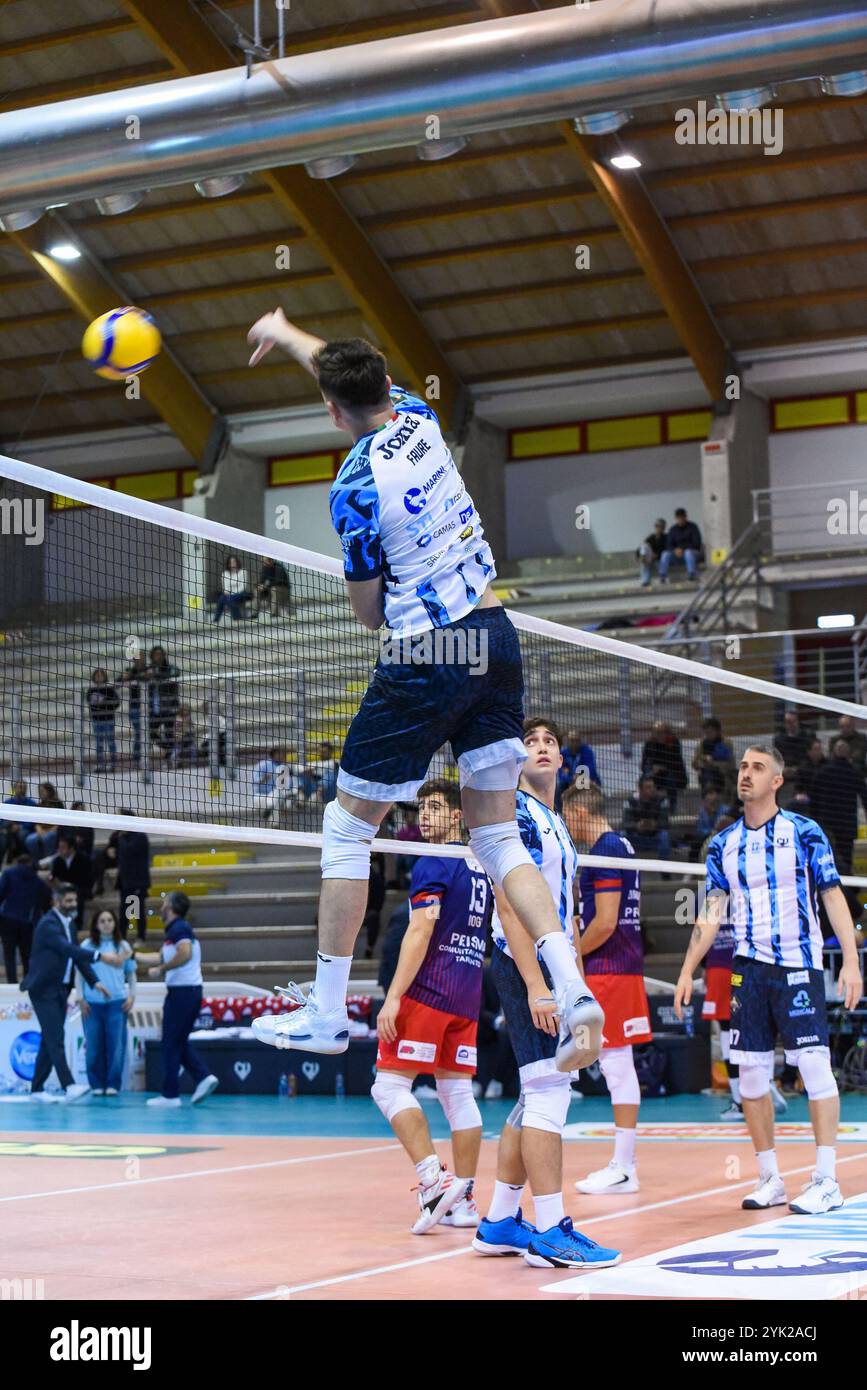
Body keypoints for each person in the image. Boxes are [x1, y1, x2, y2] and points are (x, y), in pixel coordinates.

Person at [245, 316, 601, 1071]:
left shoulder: (351, 486)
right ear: (381, 383)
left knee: (346, 832)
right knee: (498, 833)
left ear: (332, 412)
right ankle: (572, 989)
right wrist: (287, 332)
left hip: (427, 651)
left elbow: (368, 610)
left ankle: (325, 1012)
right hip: (494, 636)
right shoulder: (417, 415)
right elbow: (348, 372)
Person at [675, 745, 863, 1214]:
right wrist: (686, 968)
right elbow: (712, 911)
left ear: (776, 780)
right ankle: (770, 1178)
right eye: (742, 766)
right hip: (748, 971)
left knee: (815, 1067)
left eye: (757, 767)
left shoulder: (805, 831)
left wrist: (853, 961)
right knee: (752, 1080)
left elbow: (833, 895)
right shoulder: (723, 844)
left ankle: (826, 1180)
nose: (746, 774)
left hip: (798, 964)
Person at [473, 718, 620, 1269]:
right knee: (549, 1095)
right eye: (529, 742)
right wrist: (537, 985)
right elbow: (510, 904)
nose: (539, 748)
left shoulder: (554, 821)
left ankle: (501, 1220)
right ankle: (552, 1230)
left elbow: (568, 910)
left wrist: (573, 981)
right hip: (523, 966)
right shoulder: (514, 814)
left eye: (549, 742)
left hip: (558, 974)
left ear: (563, 760)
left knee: (533, 1096)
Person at [373, 779, 488, 1233]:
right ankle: (464, 1201)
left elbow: (420, 931)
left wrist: (394, 996)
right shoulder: (481, 863)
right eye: (421, 807)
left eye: (436, 807)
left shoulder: (435, 860)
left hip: (430, 992)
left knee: (387, 1087)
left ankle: (432, 1179)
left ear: (458, 816)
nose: (424, 815)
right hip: (468, 993)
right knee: (457, 1094)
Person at [564, 781, 651, 1194]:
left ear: (579, 813)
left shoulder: (605, 849)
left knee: (614, 1065)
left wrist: (571, 958)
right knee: (607, 1062)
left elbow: (605, 922)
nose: (566, 824)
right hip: (617, 967)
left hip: (609, 968)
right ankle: (624, 1164)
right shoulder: (621, 845)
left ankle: (623, 1167)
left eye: (566, 816)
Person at [23, 882, 113, 1103]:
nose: (73, 904)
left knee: (49, 1038)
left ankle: (37, 1089)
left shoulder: (69, 925)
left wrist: (95, 981)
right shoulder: (48, 924)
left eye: (75, 900)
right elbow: (67, 949)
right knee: (55, 1037)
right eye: (69, 901)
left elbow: (75, 958)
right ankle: (69, 1085)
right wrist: (99, 956)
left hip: (61, 989)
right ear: (57, 901)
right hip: (43, 989)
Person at [135, 891, 219, 1108]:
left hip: (183, 992)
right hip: (185, 992)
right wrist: (133, 956)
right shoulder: (175, 931)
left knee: (171, 1042)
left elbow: (185, 953)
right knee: (177, 1041)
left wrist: (161, 970)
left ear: (170, 907)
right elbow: (163, 956)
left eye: (164, 904)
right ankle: (202, 1076)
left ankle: (170, 1094)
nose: (161, 907)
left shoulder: (179, 928)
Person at [77, 908, 136, 1096]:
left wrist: (132, 995)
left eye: (110, 920)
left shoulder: (123, 946)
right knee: (93, 1047)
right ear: (95, 924)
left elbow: (131, 973)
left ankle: (112, 1084)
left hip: (117, 1003)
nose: (106, 924)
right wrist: (80, 997)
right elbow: (79, 972)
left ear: (115, 923)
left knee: (116, 1046)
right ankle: (96, 1084)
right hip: (92, 1004)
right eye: (102, 921)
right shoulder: (87, 945)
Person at [811, 737, 867, 877]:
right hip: (847, 826)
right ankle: (848, 890)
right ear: (848, 753)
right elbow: (865, 797)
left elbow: (814, 801)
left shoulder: (821, 773)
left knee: (827, 860)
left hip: (826, 826)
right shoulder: (854, 773)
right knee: (846, 860)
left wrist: (815, 821)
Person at [0, 853, 50, 984]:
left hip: (7, 919)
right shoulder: (37, 880)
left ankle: (12, 982)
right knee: (26, 955)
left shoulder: (8, 873)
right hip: (28, 922)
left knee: (9, 955)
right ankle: (27, 983)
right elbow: (45, 901)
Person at [116, 813, 151, 942]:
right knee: (124, 912)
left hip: (137, 882)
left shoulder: (139, 836)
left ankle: (140, 937)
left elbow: (129, 851)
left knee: (137, 910)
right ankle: (122, 938)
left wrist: (122, 838)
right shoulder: (121, 836)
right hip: (125, 882)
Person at [640, 720, 687, 814]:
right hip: (655, 773)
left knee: (670, 780)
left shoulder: (673, 743)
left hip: (672, 771)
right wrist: (651, 768)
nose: (659, 735)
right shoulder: (649, 744)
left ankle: (672, 807)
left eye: (661, 733)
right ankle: (645, 808)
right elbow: (644, 763)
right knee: (644, 779)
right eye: (656, 733)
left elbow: (677, 762)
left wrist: (662, 767)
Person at [621, 775, 671, 861]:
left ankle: (665, 871)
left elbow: (665, 823)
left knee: (664, 835)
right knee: (622, 835)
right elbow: (625, 823)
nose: (652, 789)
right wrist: (637, 826)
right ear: (640, 790)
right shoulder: (630, 801)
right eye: (648, 787)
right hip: (637, 838)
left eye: (653, 786)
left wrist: (655, 825)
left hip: (654, 837)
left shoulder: (662, 800)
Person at [48, 832, 93, 925]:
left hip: (80, 888)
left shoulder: (83, 859)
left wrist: (71, 887)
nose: (59, 850)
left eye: (63, 847)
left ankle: (76, 924)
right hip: (63, 888)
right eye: (59, 847)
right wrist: (54, 880)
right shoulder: (58, 860)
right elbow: (53, 875)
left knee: (76, 898)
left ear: (71, 848)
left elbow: (87, 879)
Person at [145, 647, 180, 759]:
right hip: (155, 709)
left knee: (169, 733)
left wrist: (155, 675)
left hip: (169, 707)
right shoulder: (149, 669)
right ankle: (168, 748)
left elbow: (175, 673)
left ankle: (170, 757)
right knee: (149, 731)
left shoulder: (170, 668)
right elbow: (138, 676)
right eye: (155, 655)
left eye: (160, 654)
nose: (158, 657)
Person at [692, 716, 736, 799]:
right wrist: (703, 762)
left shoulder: (726, 743)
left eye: (710, 732)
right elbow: (694, 763)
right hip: (706, 774)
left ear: (717, 731)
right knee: (707, 777)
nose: (707, 735)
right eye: (706, 732)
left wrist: (713, 763)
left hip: (722, 776)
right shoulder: (702, 744)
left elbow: (731, 765)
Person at [774, 710, 811, 806]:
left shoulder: (807, 737)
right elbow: (777, 758)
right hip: (784, 774)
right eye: (788, 722)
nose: (791, 725)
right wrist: (784, 769)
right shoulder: (779, 740)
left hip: (803, 774)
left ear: (798, 722)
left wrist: (797, 769)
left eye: (793, 722)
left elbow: (809, 758)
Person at [118, 652, 149, 767]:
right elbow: (117, 682)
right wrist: (125, 677)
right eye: (137, 658)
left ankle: (145, 757)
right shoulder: (130, 671)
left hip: (148, 707)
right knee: (139, 733)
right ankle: (137, 759)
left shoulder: (150, 669)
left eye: (142, 657)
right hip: (135, 707)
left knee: (147, 734)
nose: (140, 660)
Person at [86, 668, 120, 773]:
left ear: (105, 677)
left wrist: (104, 701)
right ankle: (100, 764)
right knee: (99, 744)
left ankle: (113, 764)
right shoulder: (91, 689)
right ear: (94, 677)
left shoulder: (109, 688)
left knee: (110, 742)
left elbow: (116, 702)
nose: (99, 677)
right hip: (97, 721)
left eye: (101, 675)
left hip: (108, 720)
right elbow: (89, 701)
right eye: (97, 675)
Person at [557, 730, 601, 806]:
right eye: (572, 741)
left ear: (580, 741)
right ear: (568, 742)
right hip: (570, 782)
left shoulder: (587, 751)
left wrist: (580, 775)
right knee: (560, 787)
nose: (574, 743)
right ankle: (560, 811)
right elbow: (562, 774)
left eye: (576, 741)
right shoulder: (563, 754)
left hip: (586, 780)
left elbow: (591, 768)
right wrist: (571, 778)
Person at [658, 507, 702, 582]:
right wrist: (674, 550)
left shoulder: (693, 527)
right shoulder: (673, 529)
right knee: (665, 553)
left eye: (682, 518)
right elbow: (668, 544)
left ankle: (691, 574)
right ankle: (663, 575)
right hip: (677, 554)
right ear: (676, 519)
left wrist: (683, 549)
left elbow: (697, 543)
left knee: (688, 552)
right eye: (678, 518)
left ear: (685, 517)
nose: (680, 520)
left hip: (692, 553)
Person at [213, 554, 252, 623]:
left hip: (241, 593)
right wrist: (228, 593)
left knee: (228, 599)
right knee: (221, 599)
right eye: (231, 562)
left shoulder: (243, 572)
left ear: (237, 562)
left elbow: (242, 586)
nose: (233, 564)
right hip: (229, 595)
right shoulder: (225, 574)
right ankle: (216, 620)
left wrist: (231, 594)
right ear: (228, 564)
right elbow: (226, 587)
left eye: (234, 562)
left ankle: (237, 619)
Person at [794, 736, 827, 810]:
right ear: (809, 752)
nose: (818, 752)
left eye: (820, 749)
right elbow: (798, 787)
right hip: (809, 797)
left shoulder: (827, 765)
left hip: (824, 797)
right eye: (815, 749)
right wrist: (800, 794)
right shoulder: (803, 768)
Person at [637, 518, 667, 587]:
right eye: (657, 526)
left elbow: (667, 550)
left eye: (661, 526)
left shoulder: (666, 538)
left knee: (661, 562)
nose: (659, 528)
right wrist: (639, 556)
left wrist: (657, 555)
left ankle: (663, 578)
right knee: (644, 547)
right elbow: (641, 548)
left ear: (664, 528)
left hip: (660, 560)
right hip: (650, 559)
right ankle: (645, 581)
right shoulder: (650, 538)